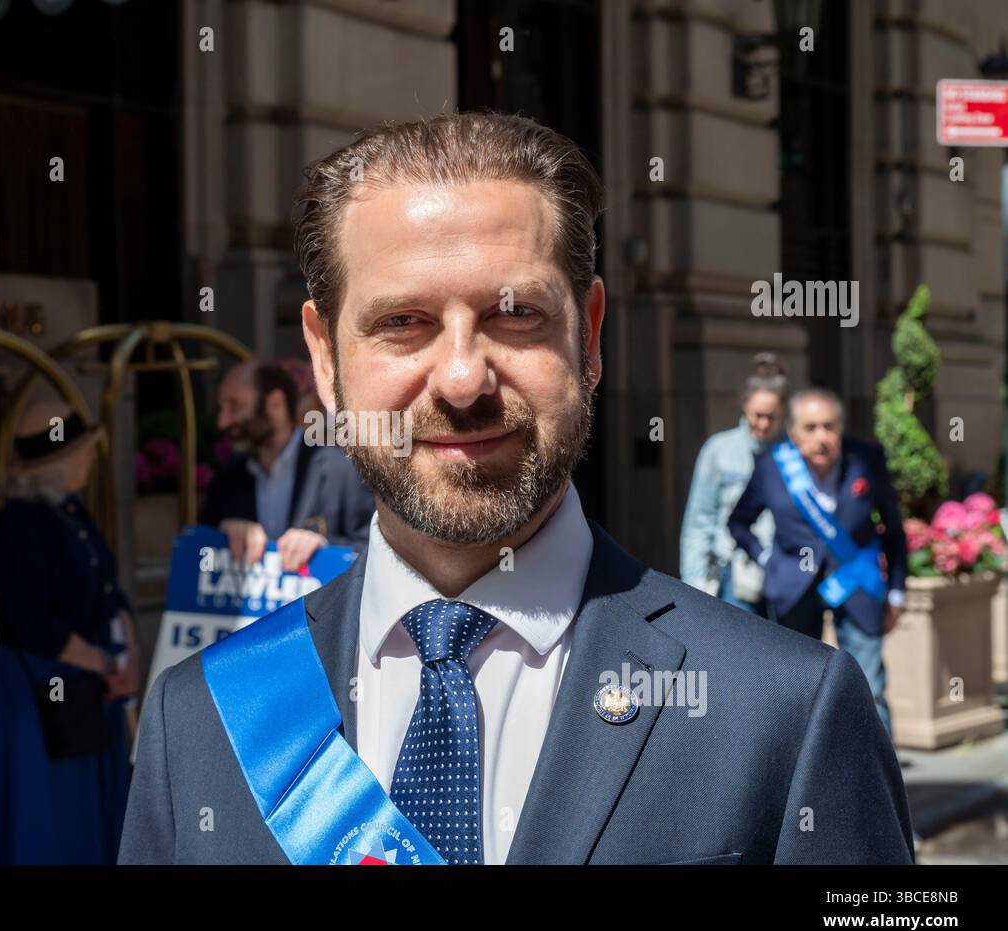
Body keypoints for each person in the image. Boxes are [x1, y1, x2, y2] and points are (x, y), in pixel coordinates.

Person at [119, 112, 912, 865]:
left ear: (589, 335)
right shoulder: (197, 722)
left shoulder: (785, 710)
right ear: (325, 360)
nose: (463, 379)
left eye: (516, 315)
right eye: (402, 322)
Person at [0, 401, 138, 863]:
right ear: (58, 462)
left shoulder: (72, 513)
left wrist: (127, 656)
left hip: (91, 685)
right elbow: (34, 624)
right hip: (39, 692)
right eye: (82, 451)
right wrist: (110, 665)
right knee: (44, 823)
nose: (90, 458)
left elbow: (109, 590)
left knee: (85, 819)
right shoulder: (17, 525)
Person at [728, 388, 907, 738]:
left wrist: (897, 593)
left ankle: (881, 786)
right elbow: (739, 522)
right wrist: (767, 560)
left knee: (870, 689)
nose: (822, 437)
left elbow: (895, 531)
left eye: (829, 426)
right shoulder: (772, 466)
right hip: (794, 589)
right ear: (793, 433)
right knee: (797, 690)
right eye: (810, 428)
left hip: (858, 585)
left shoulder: (866, 459)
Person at [198, 359, 375, 569]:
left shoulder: (340, 470)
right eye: (222, 408)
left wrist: (324, 547)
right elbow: (197, 554)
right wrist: (221, 533)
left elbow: (375, 552)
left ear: (275, 403)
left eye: (234, 406)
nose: (223, 422)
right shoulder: (226, 479)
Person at [679, 353, 787, 614]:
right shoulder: (719, 451)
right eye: (757, 415)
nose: (763, 424)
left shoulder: (793, 455)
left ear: (784, 410)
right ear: (744, 405)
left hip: (784, 576)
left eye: (771, 416)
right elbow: (699, 521)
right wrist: (695, 587)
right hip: (734, 575)